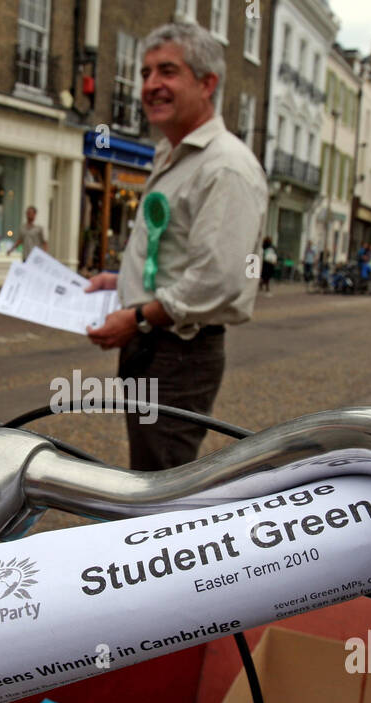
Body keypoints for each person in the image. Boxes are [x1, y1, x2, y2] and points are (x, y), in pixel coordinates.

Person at [83, 21, 267, 471]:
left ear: (208, 84)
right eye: (145, 73)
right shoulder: (175, 154)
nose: (151, 85)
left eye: (167, 71)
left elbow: (218, 280)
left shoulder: (225, 166)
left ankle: (166, 545)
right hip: (157, 342)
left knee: (160, 480)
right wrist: (120, 279)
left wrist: (139, 316)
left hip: (179, 351)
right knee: (150, 469)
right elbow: (175, 250)